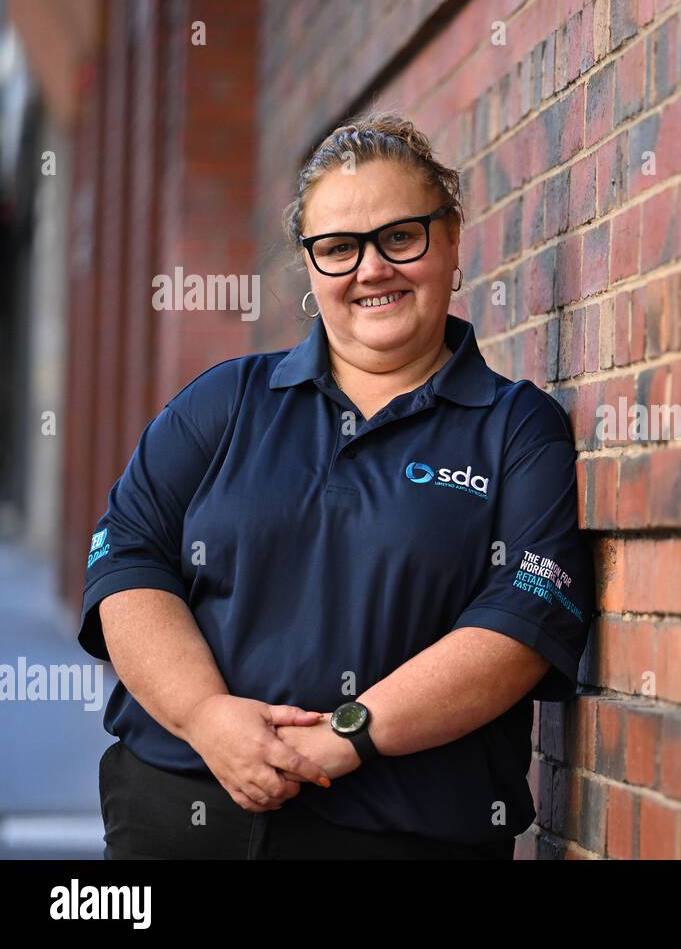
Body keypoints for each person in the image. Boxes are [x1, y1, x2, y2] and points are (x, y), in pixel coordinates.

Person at [79, 111, 594, 859]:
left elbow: (520, 623)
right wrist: (206, 716)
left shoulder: (517, 429)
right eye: (339, 248)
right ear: (310, 267)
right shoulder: (224, 403)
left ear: (451, 240)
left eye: (400, 237)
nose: (371, 269)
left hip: (399, 831)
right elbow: (127, 562)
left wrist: (346, 735)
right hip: (179, 811)